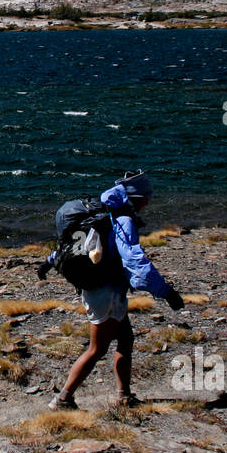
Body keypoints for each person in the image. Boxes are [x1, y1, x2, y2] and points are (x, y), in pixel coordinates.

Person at [38, 170, 185, 410]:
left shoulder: (100, 212)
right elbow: (135, 261)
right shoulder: (122, 219)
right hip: (107, 291)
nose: (149, 202)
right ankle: (63, 398)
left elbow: (77, 243)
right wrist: (166, 292)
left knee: (126, 339)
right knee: (97, 349)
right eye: (147, 197)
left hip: (100, 289)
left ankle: (124, 396)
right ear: (138, 198)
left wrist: (50, 260)